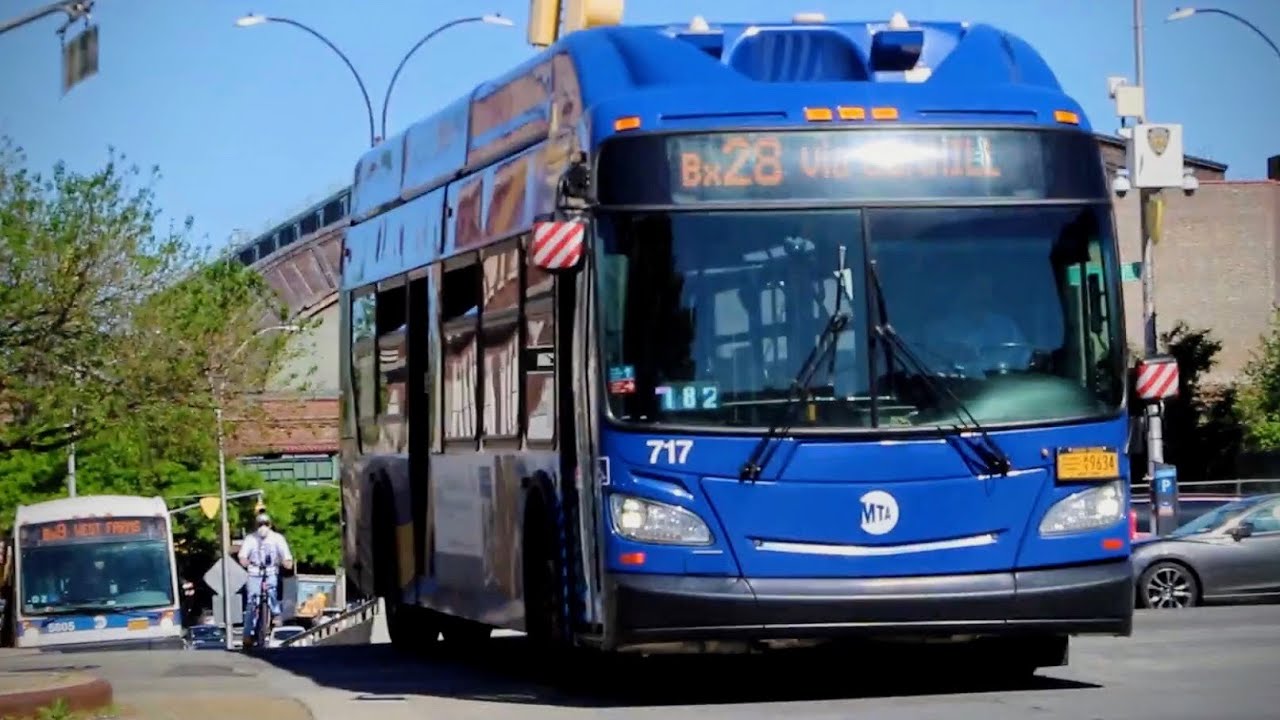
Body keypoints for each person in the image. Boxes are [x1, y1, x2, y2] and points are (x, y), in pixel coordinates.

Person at [237, 512, 293, 647]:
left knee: (272, 590)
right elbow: (242, 555)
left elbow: (286, 556)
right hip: (254, 573)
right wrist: (244, 561)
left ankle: (275, 614)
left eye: (265, 524)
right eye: (260, 524)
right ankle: (247, 635)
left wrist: (287, 562)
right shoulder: (250, 539)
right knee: (251, 602)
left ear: (270, 525)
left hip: (271, 572)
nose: (262, 527)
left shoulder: (277, 538)